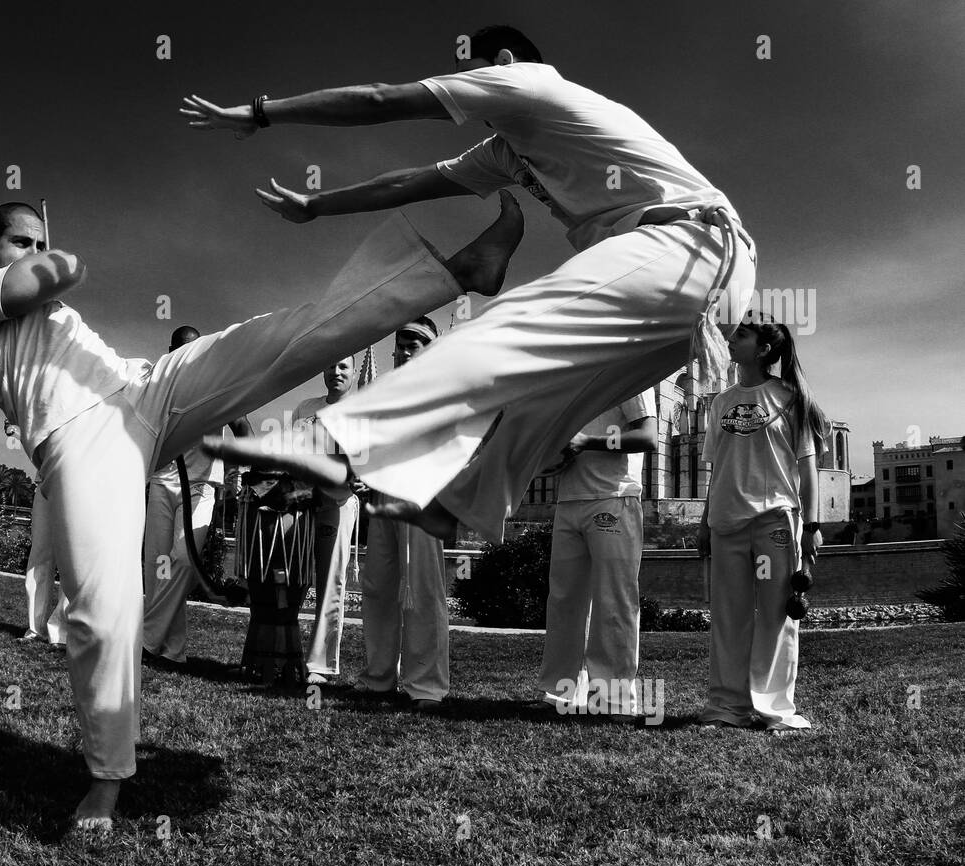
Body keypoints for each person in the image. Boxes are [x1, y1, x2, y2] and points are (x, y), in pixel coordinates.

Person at [0, 199, 521, 830]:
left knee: (277, 339)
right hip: (80, 440)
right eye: (20, 242)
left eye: (38, 241)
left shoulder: (40, 305)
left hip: (143, 388)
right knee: (105, 611)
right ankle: (106, 782)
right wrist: (54, 258)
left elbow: (52, 274)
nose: (32, 251)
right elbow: (56, 273)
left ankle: (454, 272)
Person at [185, 23, 756, 545]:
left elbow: (382, 99)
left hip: (693, 247)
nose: (465, 88)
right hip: (700, 292)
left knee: (517, 323)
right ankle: (461, 504)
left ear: (502, 63)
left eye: (471, 71)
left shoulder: (529, 86)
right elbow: (411, 182)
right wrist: (317, 204)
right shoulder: (509, 152)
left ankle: (339, 438)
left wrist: (262, 112)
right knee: (546, 397)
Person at [697, 313, 824, 732]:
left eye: (742, 335)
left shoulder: (788, 397)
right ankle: (725, 708)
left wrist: (812, 525)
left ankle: (775, 711)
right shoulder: (720, 402)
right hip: (726, 523)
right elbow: (715, 470)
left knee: (775, 618)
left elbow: (808, 469)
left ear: (765, 349)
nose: (732, 340)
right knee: (728, 617)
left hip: (774, 520)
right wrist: (704, 522)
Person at [536, 390, 658, 720]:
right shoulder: (578, 376)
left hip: (614, 497)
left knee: (614, 601)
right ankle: (563, 693)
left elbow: (648, 437)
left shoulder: (632, 374)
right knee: (564, 600)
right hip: (570, 498)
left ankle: (615, 700)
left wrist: (587, 442)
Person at [143, 325, 252, 666]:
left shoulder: (218, 388)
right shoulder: (157, 388)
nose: (188, 355)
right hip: (161, 483)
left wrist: (246, 469)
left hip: (201, 486)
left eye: (195, 349)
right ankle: (172, 652)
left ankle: (144, 638)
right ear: (170, 350)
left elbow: (244, 431)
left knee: (185, 559)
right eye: (180, 348)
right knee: (157, 570)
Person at [355, 320, 449, 712]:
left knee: (422, 591)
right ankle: (379, 679)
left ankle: (426, 686)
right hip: (383, 499)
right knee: (378, 588)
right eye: (400, 345)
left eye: (414, 344)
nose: (405, 351)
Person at [291, 355, 358, 683]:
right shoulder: (305, 408)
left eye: (344, 366)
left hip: (338, 503)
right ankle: (286, 653)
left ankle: (320, 665)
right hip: (303, 505)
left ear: (355, 370)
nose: (336, 372)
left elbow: (366, 464)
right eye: (331, 365)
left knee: (331, 583)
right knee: (293, 579)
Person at [15, 425, 69, 647]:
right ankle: (35, 628)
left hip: (75, 482)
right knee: (39, 556)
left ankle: (62, 632)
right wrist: (18, 432)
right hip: (44, 482)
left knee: (69, 559)